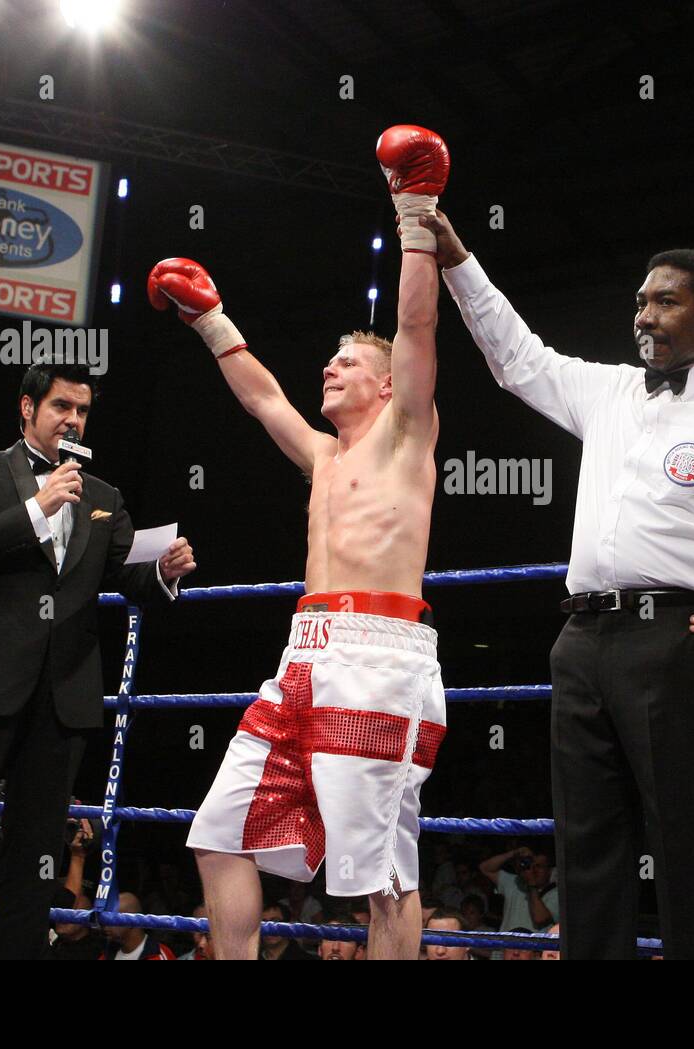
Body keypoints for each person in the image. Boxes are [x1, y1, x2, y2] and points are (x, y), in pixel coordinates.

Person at [427, 211, 694, 959]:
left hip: (680, 641)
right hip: (581, 639)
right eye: (640, 300)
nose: (645, 314)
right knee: (589, 850)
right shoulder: (609, 392)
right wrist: (458, 260)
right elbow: (515, 356)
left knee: (690, 845)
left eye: (665, 301)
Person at [156, 126, 450, 961]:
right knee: (218, 835)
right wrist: (211, 318)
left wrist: (415, 211)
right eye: (327, 359)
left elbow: (417, 321)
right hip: (303, 655)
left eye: (346, 362)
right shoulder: (323, 455)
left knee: (381, 878)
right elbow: (260, 398)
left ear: (387, 385)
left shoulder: (406, 433)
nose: (329, 369)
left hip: (380, 655)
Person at [0, 364, 193, 960]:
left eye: (82, 410)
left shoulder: (104, 496)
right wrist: (35, 509)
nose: (73, 420)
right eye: (61, 407)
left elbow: (129, 574)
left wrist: (163, 570)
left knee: (35, 859)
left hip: (62, 696)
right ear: (28, 409)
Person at [479, 845, 558, 931]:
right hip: (507, 942)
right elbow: (485, 868)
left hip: (533, 944)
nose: (533, 870)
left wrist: (532, 884)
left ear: (549, 871)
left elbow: (540, 919)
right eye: (530, 865)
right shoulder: (515, 882)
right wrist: (514, 853)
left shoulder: (556, 894)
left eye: (539, 866)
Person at [100, 892, 177, 960]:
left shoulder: (158, 956)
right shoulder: (107, 953)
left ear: (131, 921)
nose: (105, 925)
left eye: (112, 919)